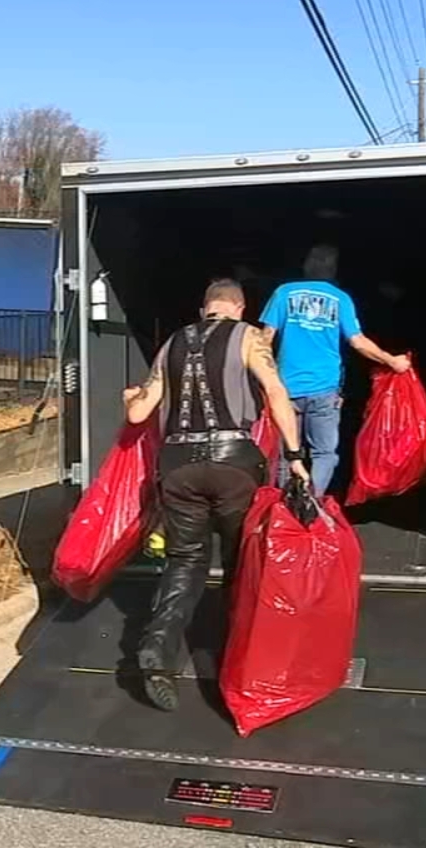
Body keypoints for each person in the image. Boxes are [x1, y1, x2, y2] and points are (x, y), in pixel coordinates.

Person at [122, 278, 311, 712]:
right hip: (234, 465)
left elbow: (137, 413)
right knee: (239, 560)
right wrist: (295, 456)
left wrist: (128, 398)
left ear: (204, 307)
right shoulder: (248, 337)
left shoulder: (172, 343)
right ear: (240, 308)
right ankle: (238, 659)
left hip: (177, 467)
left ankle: (156, 646)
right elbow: (277, 392)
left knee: (184, 560)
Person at [259, 244, 411, 497]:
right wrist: (391, 360)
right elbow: (357, 341)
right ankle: (312, 503)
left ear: (307, 265)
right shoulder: (340, 299)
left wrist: (259, 376)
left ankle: (286, 507)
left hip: (285, 389)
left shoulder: (283, 293)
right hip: (324, 389)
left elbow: (264, 339)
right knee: (325, 454)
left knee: (287, 453)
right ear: (333, 269)